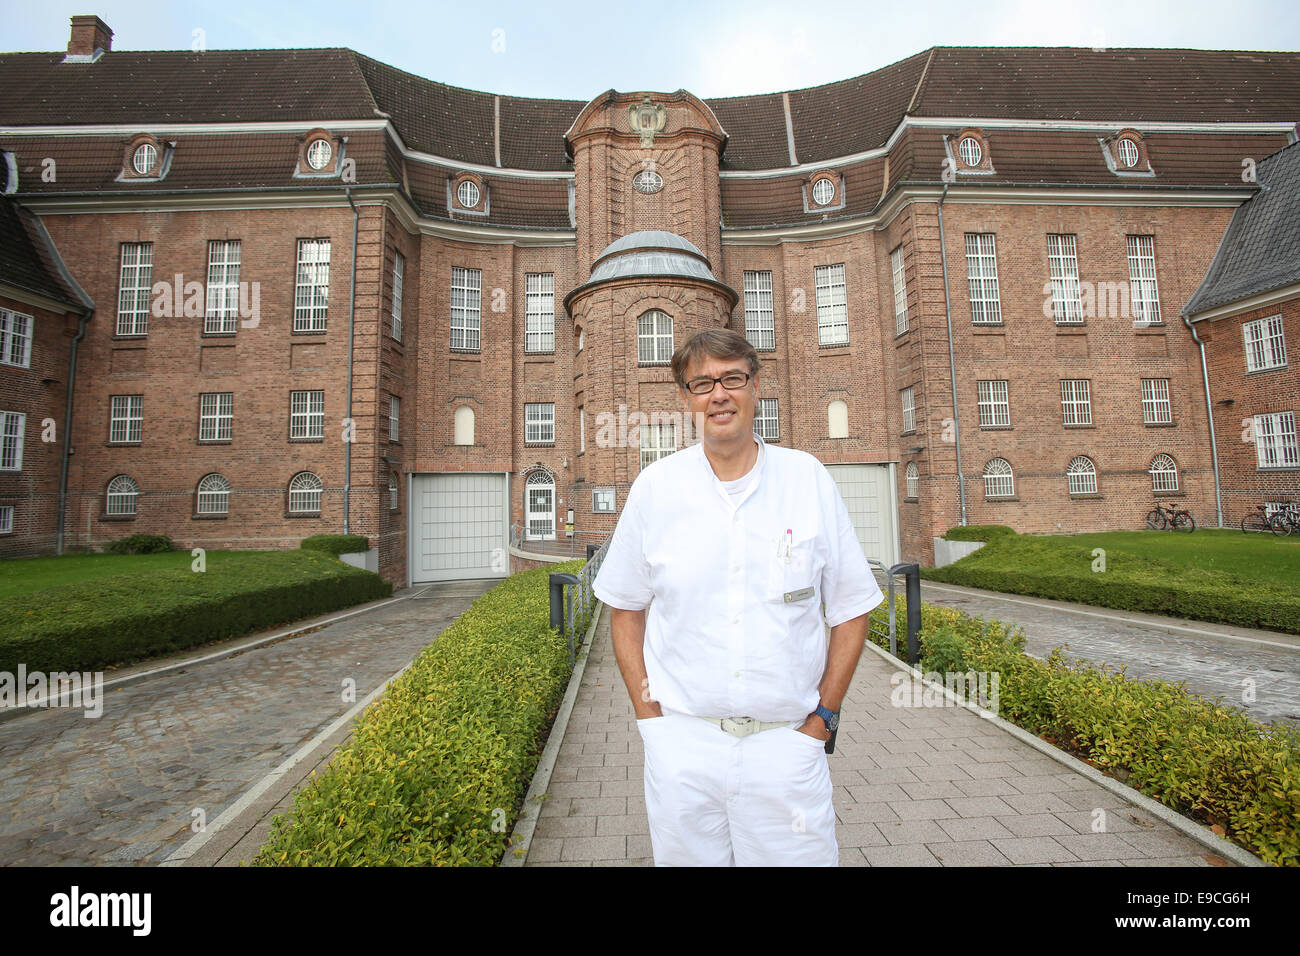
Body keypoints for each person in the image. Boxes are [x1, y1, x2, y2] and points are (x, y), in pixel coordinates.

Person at [592, 327, 885, 866]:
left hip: (786, 749)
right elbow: (625, 608)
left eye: (732, 378)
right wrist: (650, 721)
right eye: (701, 384)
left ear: (755, 387)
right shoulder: (656, 488)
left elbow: (851, 608)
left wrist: (822, 721)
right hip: (683, 746)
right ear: (685, 398)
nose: (718, 394)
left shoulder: (808, 480)